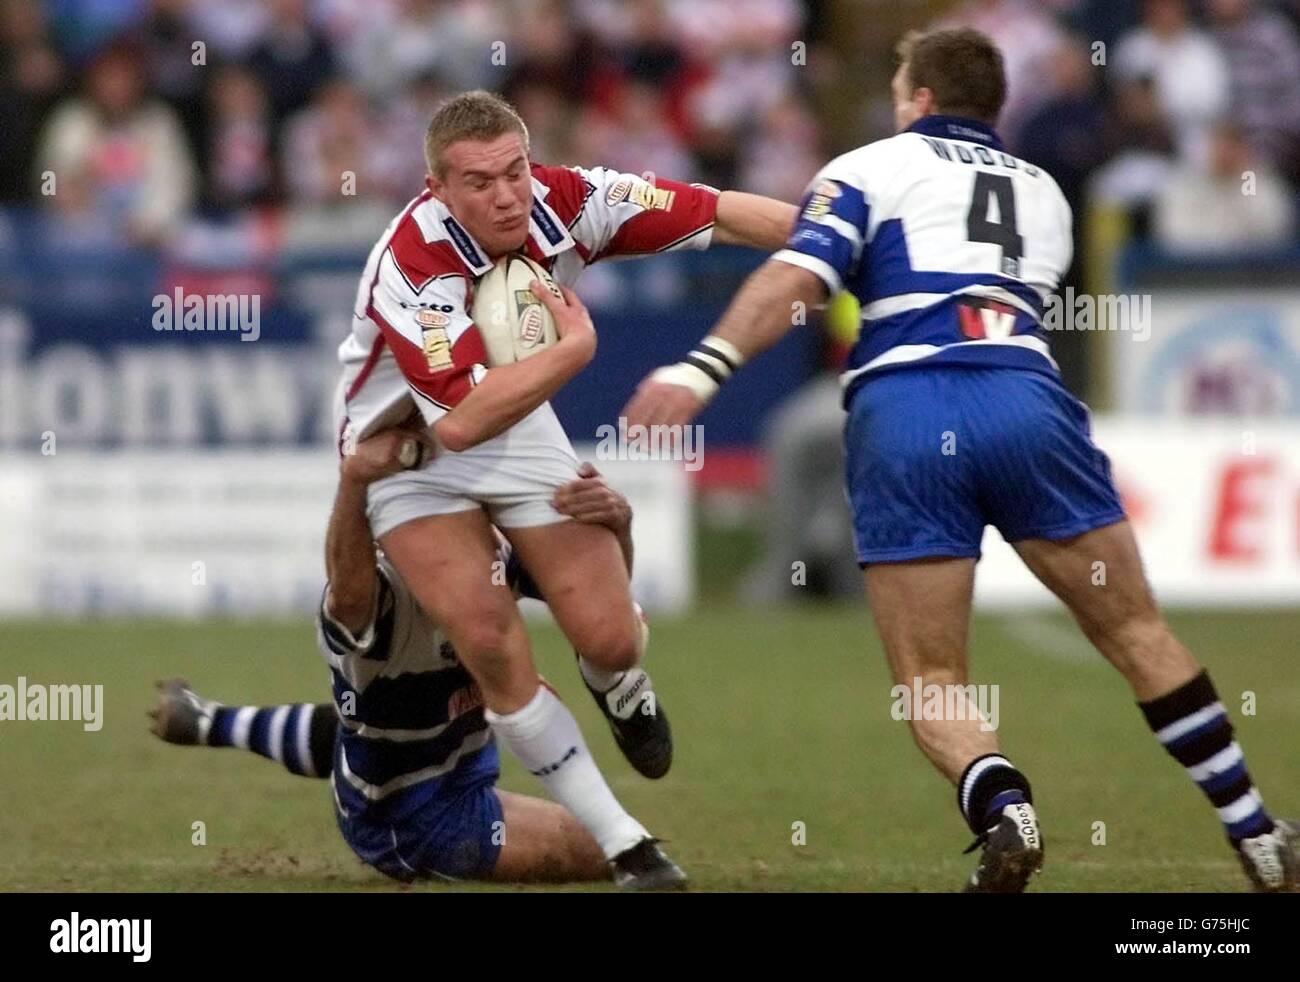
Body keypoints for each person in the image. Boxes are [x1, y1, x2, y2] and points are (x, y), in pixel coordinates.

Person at [622, 26, 1299, 893]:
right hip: (1026, 399)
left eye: (902, 89)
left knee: (932, 678)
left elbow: (799, 274)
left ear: (922, 101)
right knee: (1135, 631)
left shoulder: (870, 167)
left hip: (907, 408)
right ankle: (1255, 832)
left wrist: (700, 367)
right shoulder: (1049, 195)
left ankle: (1003, 803)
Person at [336, 89, 795, 886]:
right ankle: (628, 846)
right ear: (437, 189)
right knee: (486, 640)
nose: (508, 194)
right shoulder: (412, 261)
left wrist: (837, 242)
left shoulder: (567, 197)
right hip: (405, 453)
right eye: (479, 182)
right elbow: (457, 425)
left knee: (610, 634)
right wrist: (578, 347)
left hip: (511, 422)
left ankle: (614, 679)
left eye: (515, 170)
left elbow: (717, 212)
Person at [150, 424, 682, 889]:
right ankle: (220, 726)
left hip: (434, 755)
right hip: (416, 815)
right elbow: (348, 595)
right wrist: (354, 479)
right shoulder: (379, 597)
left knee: (362, 732)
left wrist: (617, 527)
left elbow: (597, 613)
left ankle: (208, 721)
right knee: (595, 848)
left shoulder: (483, 560)